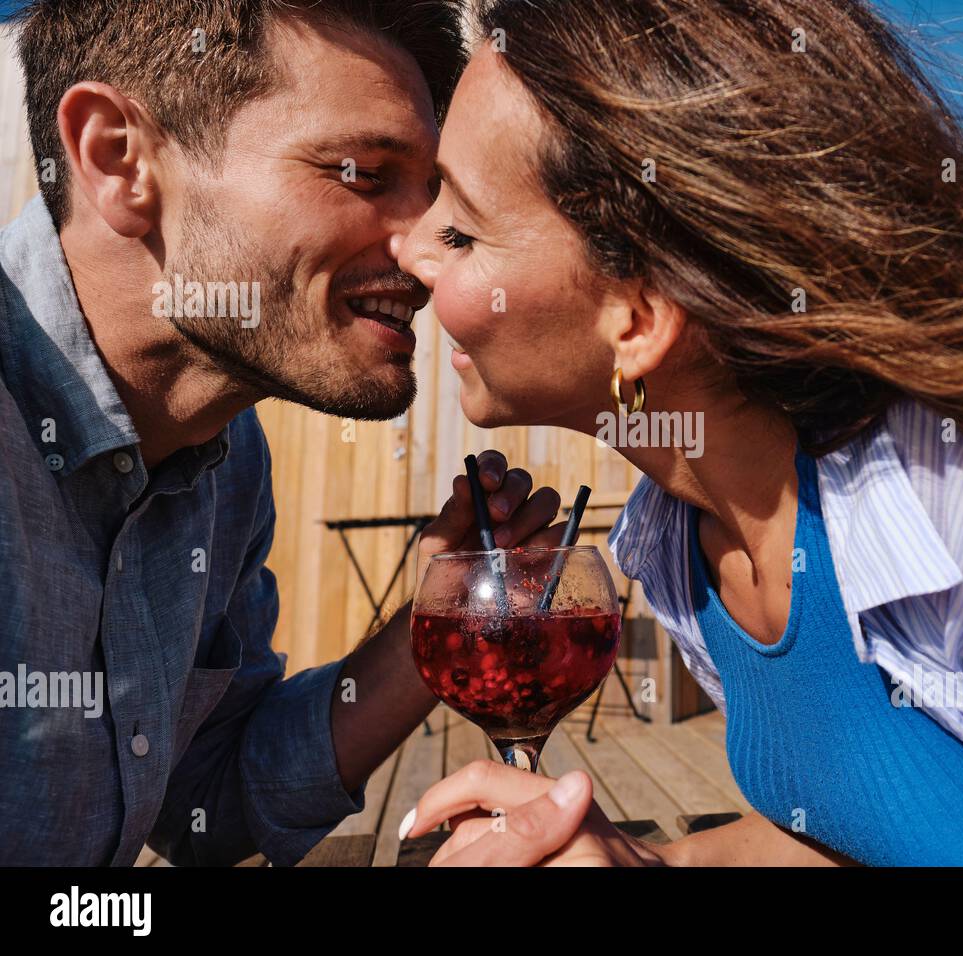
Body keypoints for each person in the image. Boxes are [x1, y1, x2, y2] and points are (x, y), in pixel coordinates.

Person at [397, 0, 963, 865]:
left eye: (464, 231)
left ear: (637, 316)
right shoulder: (677, 537)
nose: (410, 248)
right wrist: (654, 865)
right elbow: (886, 837)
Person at [0, 0, 561, 866]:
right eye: (368, 175)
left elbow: (207, 798)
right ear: (119, 159)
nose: (427, 253)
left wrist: (433, 628)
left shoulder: (225, 454)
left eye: (433, 194)